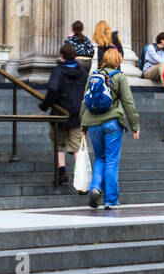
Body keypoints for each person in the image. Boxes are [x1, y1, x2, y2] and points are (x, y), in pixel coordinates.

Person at [80, 46, 140, 210]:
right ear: (118, 60)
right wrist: (135, 125)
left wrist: (83, 125)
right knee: (112, 160)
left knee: (100, 157)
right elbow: (128, 102)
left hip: (93, 123)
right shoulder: (119, 77)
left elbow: (85, 101)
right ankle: (111, 200)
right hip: (112, 122)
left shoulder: (93, 76)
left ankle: (95, 188)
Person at [39, 43, 87, 184]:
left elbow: (53, 90)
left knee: (59, 143)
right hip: (77, 114)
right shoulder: (83, 72)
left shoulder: (58, 71)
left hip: (60, 113)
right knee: (76, 146)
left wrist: (44, 105)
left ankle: (62, 172)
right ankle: (81, 176)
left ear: (62, 56)